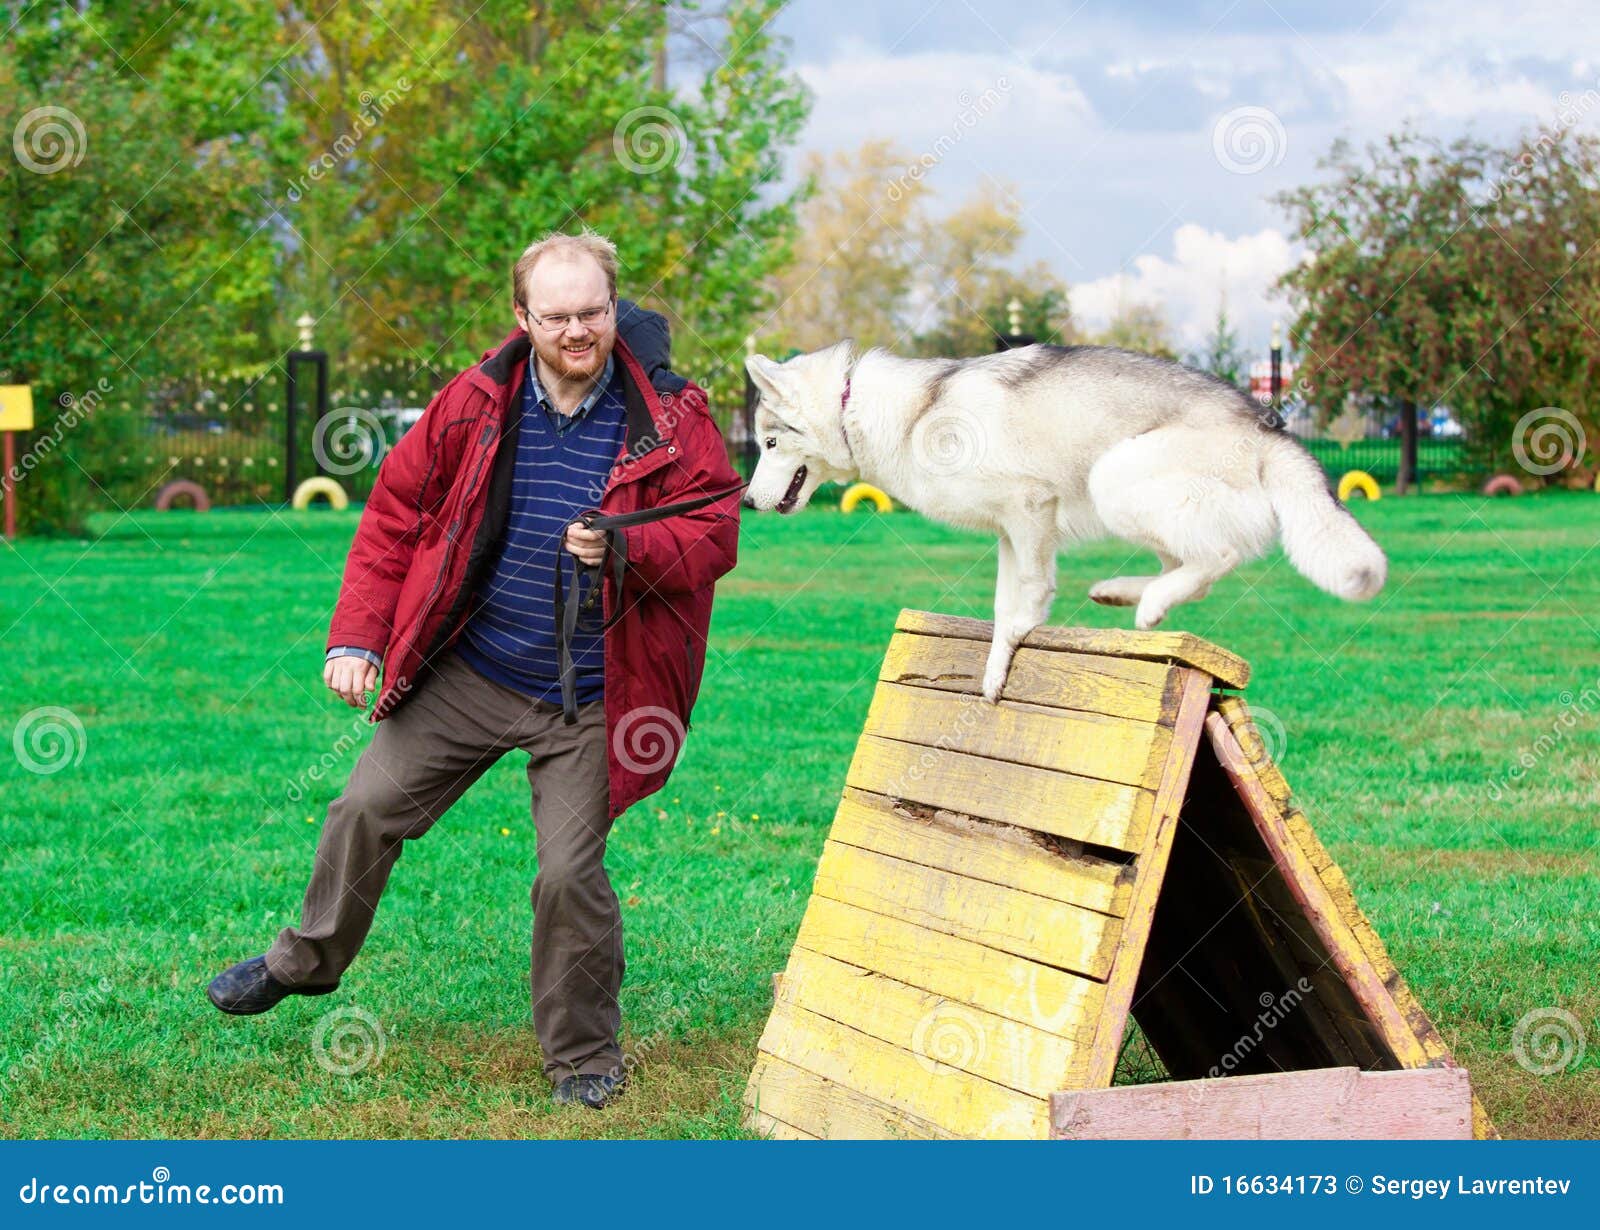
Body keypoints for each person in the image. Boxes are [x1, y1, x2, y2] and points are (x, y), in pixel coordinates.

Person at [207, 229, 741, 1110]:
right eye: (559, 315)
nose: (579, 331)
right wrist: (357, 639)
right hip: (474, 668)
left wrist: (624, 546)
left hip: (587, 695)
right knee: (364, 807)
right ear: (523, 315)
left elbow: (715, 533)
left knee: (570, 875)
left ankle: (583, 1056)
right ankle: (301, 963)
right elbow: (395, 515)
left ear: (617, 308)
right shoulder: (474, 400)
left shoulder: (674, 416)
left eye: (595, 313)